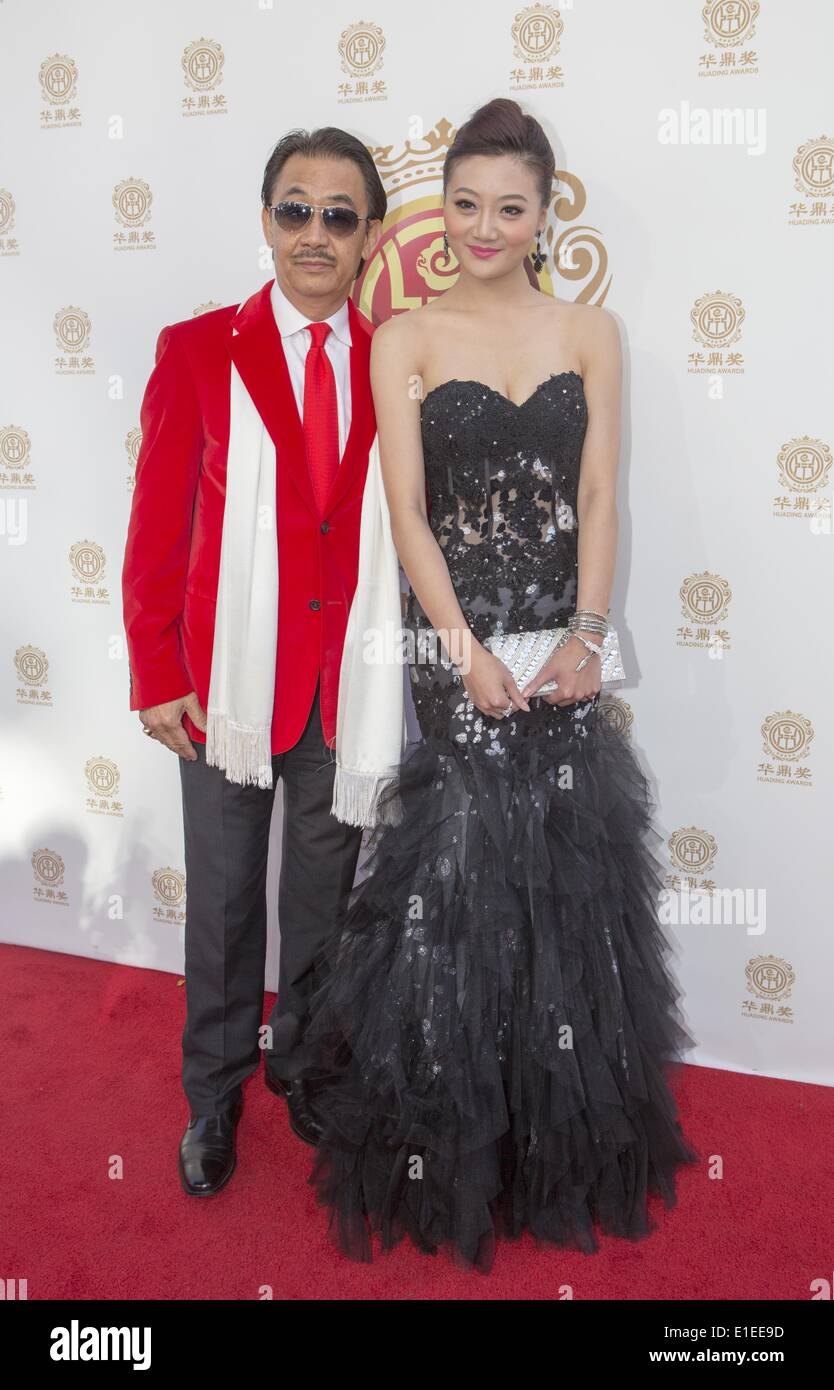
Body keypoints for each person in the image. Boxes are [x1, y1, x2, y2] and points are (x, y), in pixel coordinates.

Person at [296, 97, 699, 1272]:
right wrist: (461, 648)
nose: (482, 226)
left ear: (543, 215)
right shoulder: (404, 338)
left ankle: (550, 1146)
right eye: (463, 204)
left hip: (560, 648)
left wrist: (587, 630)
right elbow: (407, 513)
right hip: (457, 646)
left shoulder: (592, 329)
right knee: (457, 890)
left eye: (506, 207)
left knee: (566, 885)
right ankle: (446, 1145)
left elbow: (602, 490)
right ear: (442, 211)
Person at [121, 125, 395, 1195]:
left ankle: (312, 1072)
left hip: (346, 685)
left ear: (370, 235)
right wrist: (155, 671)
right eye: (295, 208)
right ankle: (215, 1097)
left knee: (327, 908)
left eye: (338, 214)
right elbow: (157, 525)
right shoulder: (198, 349)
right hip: (224, 687)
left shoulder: (396, 360)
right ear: (266, 219)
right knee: (228, 905)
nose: (314, 233)